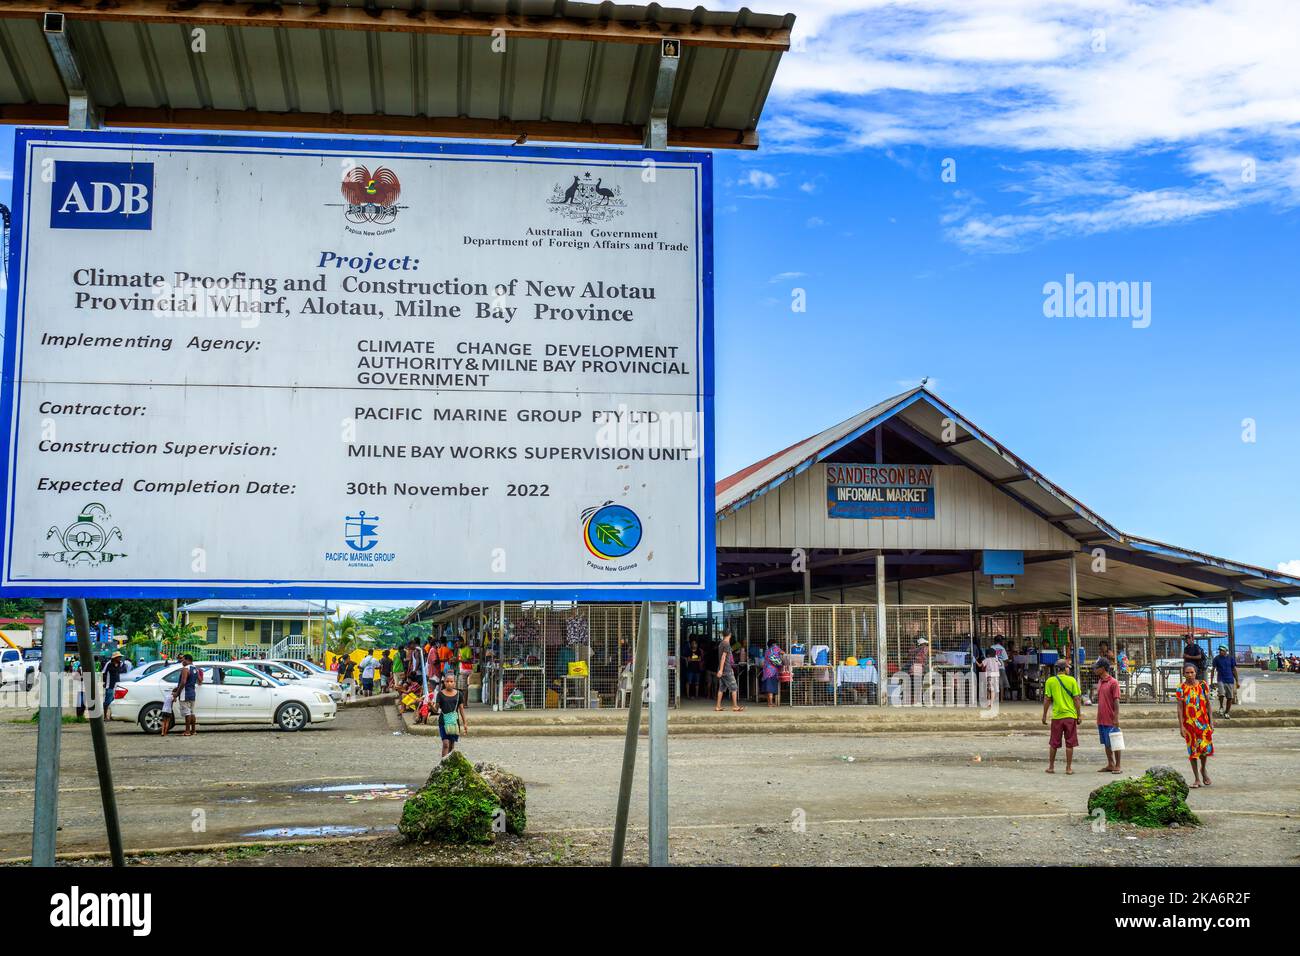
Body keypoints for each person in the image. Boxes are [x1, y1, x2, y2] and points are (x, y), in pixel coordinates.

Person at [1175, 663, 1213, 787]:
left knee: (1203, 750)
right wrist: (1181, 726)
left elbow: (1208, 704)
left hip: (1203, 723)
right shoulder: (1181, 688)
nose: (1190, 675)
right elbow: (1180, 709)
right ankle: (1197, 778)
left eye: (1192, 672)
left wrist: (1211, 722)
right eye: (1187, 672)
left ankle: (1203, 769)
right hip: (1189, 725)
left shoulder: (1203, 685)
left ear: (1196, 673)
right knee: (1192, 751)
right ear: (1183, 674)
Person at [1041, 661, 1082, 774]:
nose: (1069, 669)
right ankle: (1068, 768)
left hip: (1057, 717)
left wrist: (1044, 715)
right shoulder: (1072, 680)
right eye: (1068, 667)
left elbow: (1047, 699)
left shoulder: (1050, 681)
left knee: (1053, 743)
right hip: (1070, 716)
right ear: (1064, 669)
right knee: (1070, 743)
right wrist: (1079, 715)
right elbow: (1076, 699)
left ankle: (1051, 767)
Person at [1094, 659, 1122, 773]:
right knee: (1106, 742)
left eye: (1097, 667)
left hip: (1110, 718)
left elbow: (1116, 701)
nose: (1095, 670)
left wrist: (1116, 717)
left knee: (1115, 742)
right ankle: (1110, 763)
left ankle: (1118, 765)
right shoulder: (1100, 681)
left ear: (1103, 668)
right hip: (1101, 718)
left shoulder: (1113, 682)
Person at [436, 672, 467, 758]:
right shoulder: (440, 694)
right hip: (443, 722)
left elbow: (461, 709)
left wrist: (465, 723)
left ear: (454, 683)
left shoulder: (459, 694)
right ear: (444, 682)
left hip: (454, 723)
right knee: (446, 744)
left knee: (452, 745)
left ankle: (450, 764)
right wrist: (431, 705)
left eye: (451, 681)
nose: (449, 683)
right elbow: (435, 709)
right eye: (447, 681)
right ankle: (443, 764)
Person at [714, 630, 743, 712]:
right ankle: (735, 706)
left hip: (722, 668)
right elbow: (723, 657)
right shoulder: (726, 644)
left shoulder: (721, 643)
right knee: (734, 687)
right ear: (730, 635)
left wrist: (720, 669)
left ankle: (718, 706)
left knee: (721, 688)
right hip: (726, 669)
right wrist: (721, 670)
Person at [174, 654, 200, 736]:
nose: (182, 661)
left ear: (187, 660)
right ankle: (193, 730)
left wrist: (177, 692)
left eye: (183, 659)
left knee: (187, 713)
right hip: (192, 692)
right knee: (192, 712)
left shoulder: (185, 669)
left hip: (185, 693)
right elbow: (200, 680)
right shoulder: (195, 668)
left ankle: (187, 731)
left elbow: (183, 682)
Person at [1211, 645, 1238, 719]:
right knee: (1221, 693)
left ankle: (1227, 712)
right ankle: (1221, 707)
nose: (1220, 651)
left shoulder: (1231, 658)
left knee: (1230, 697)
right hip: (1221, 679)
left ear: (1226, 651)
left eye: (1222, 650)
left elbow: (1234, 670)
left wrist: (1237, 681)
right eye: (1219, 650)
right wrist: (1211, 681)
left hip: (1230, 680)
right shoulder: (1216, 658)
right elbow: (1213, 669)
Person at [101, 650, 126, 719]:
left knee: (114, 701)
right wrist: (104, 682)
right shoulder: (109, 664)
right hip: (109, 685)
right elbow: (103, 673)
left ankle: (112, 716)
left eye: (120, 657)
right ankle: (105, 716)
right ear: (115, 658)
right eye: (119, 657)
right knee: (107, 701)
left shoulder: (121, 663)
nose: (120, 658)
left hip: (117, 685)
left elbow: (124, 670)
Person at [760, 640, 783, 708]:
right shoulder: (775, 648)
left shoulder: (767, 651)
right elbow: (781, 655)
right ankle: (770, 704)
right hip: (772, 672)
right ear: (774, 644)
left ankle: (769, 703)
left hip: (766, 671)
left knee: (768, 689)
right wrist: (781, 663)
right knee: (771, 688)